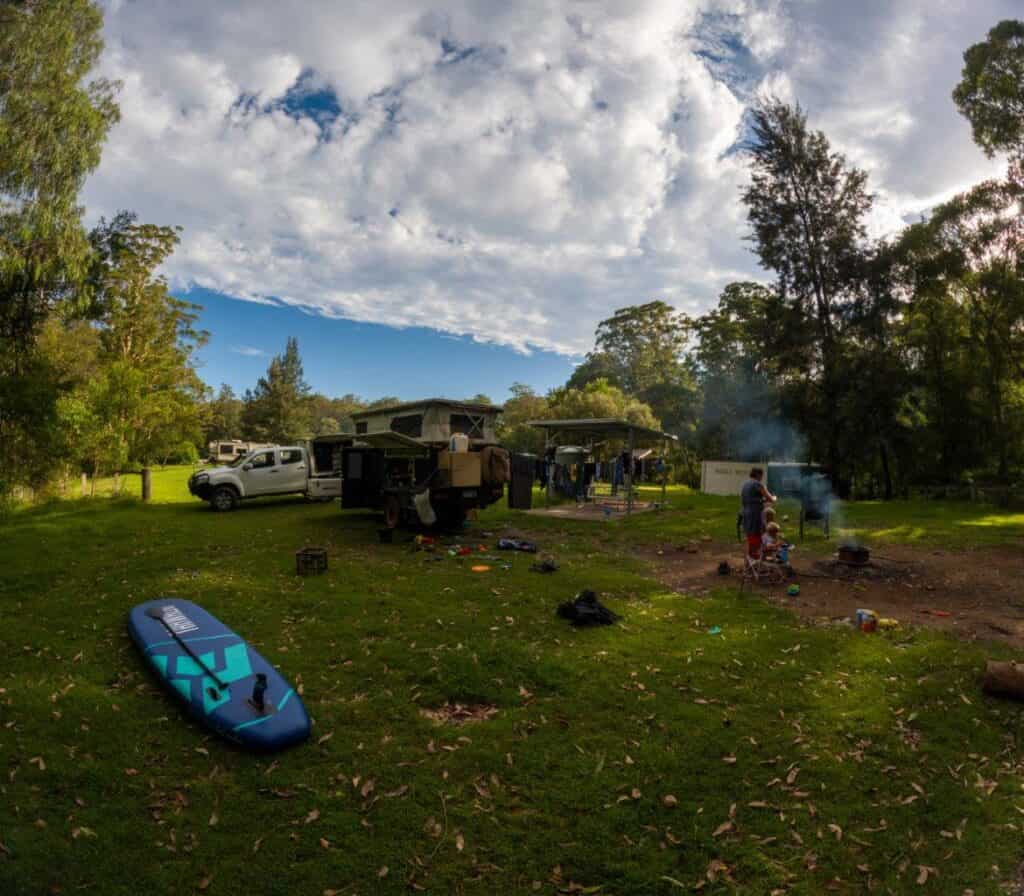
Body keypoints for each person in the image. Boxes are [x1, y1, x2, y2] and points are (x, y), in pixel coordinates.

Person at [740, 467, 776, 558]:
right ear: (758, 475)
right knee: (756, 534)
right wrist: (774, 498)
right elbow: (770, 498)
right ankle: (756, 558)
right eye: (761, 476)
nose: (761, 478)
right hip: (755, 513)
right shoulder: (757, 484)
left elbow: (752, 499)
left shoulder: (745, 484)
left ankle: (750, 559)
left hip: (745, 512)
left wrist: (762, 500)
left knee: (750, 534)